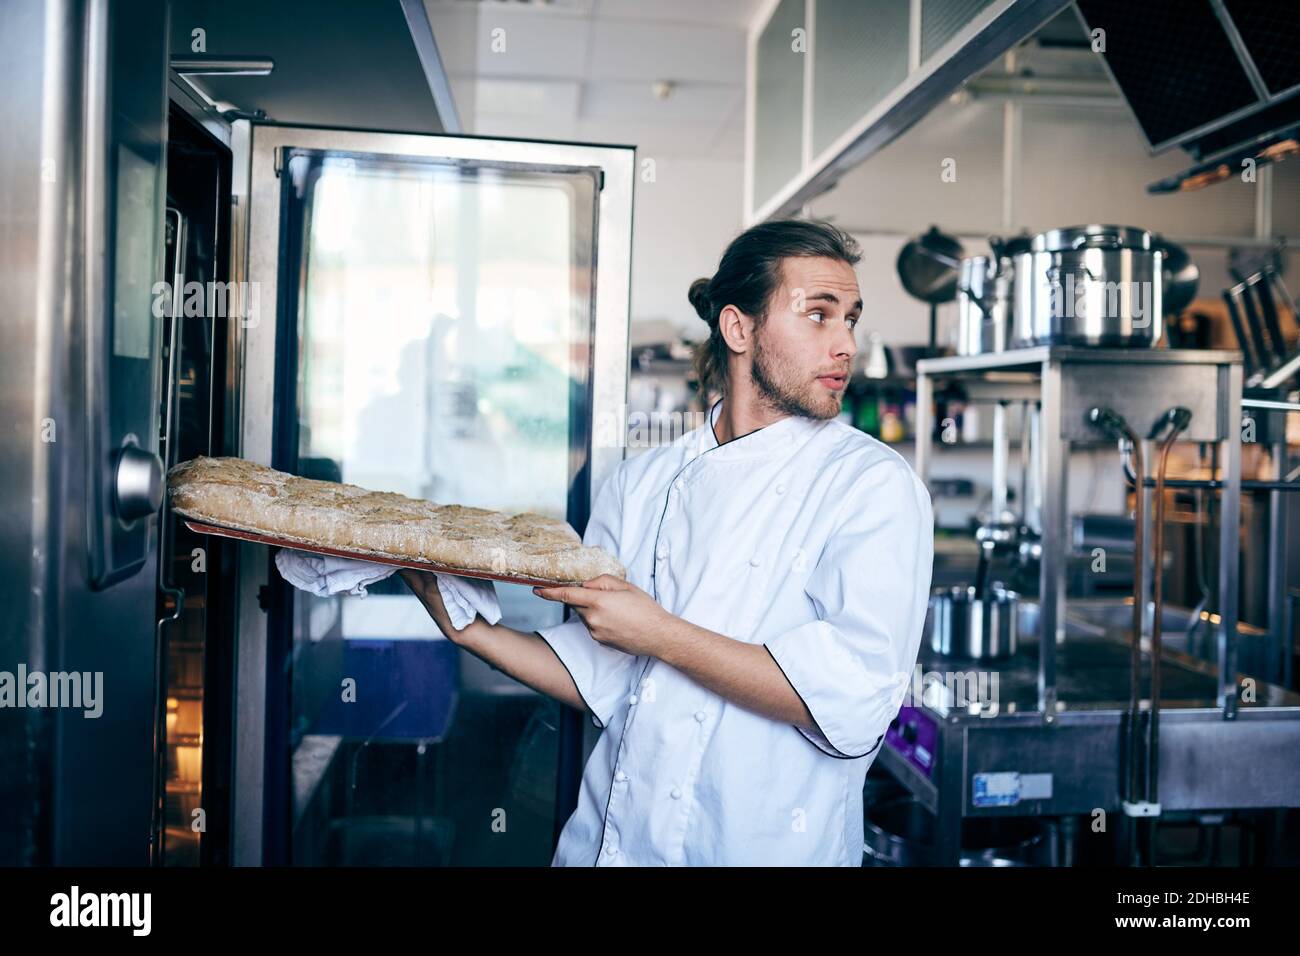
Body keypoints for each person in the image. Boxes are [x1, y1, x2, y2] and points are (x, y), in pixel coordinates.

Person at [402, 219, 934, 866]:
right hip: (615, 844)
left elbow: (852, 701)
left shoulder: (873, 486)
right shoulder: (644, 481)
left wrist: (656, 631)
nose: (846, 344)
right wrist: (470, 632)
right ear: (739, 329)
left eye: (849, 318)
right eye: (818, 316)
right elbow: (603, 676)